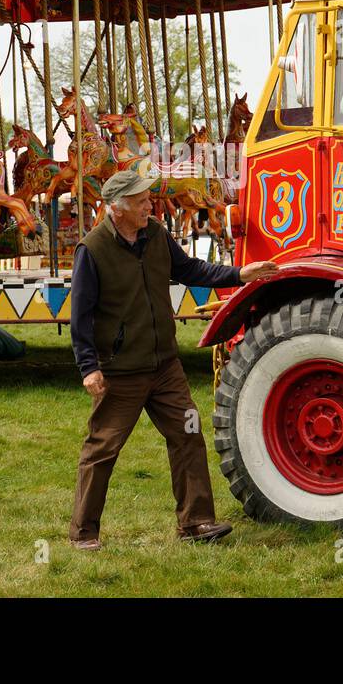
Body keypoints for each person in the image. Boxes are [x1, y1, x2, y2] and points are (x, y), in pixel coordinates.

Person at [68, 169, 278, 550]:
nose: (150, 203)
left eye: (148, 197)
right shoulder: (92, 249)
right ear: (117, 208)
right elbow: (80, 315)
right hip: (121, 371)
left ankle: (196, 523)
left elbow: (191, 270)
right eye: (140, 200)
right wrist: (89, 367)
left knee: (189, 432)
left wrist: (240, 273)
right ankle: (84, 533)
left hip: (165, 367)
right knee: (102, 449)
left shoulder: (157, 235)